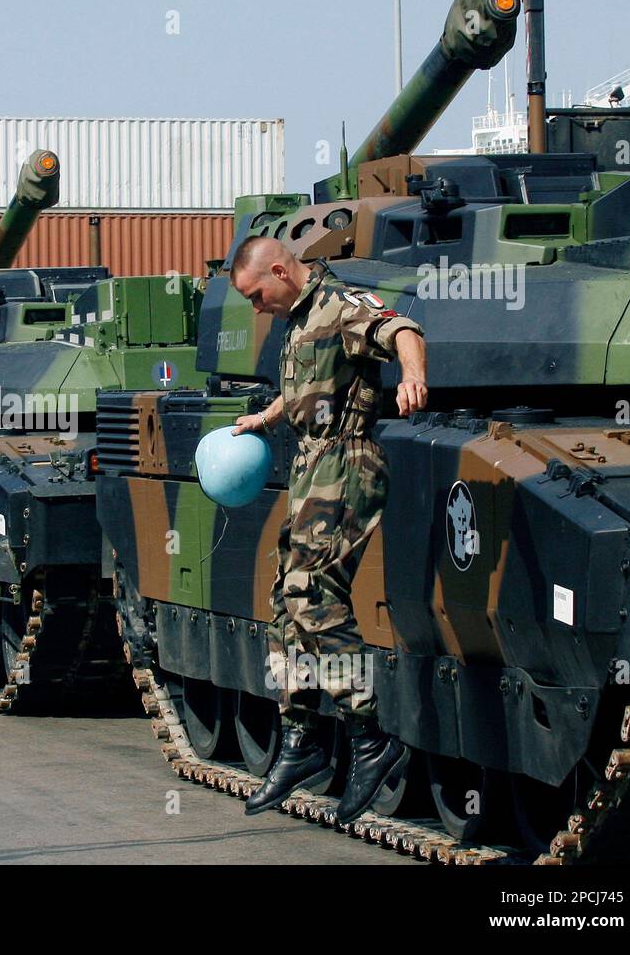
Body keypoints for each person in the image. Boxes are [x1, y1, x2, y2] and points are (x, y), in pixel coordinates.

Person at [229, 236, 427, 823]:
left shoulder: (340, 305)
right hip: (310, 467)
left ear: (282, 271)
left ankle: (370, 740)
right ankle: (301, 739)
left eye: (257, 294)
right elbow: (306, 393)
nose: (256, 307)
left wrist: (412, 377)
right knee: (284, 604)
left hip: (346, 465)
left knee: (312, 594)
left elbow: (404, 330)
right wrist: (263, 418)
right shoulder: (298, 319)